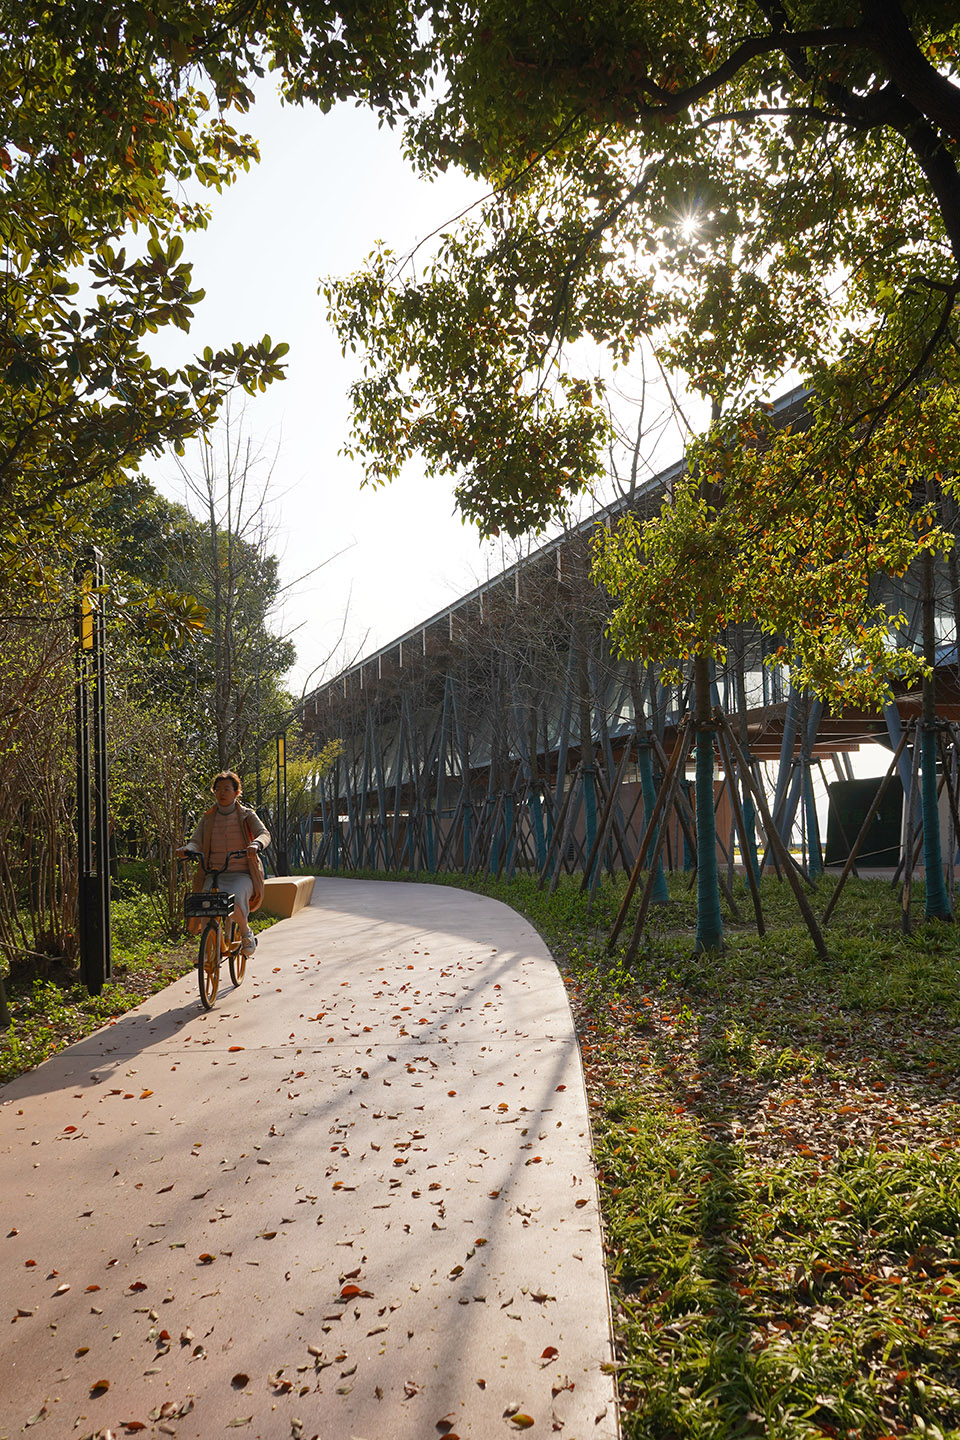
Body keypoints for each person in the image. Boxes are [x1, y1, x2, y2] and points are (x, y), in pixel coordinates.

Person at [178, 771, 270, 956]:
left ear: (236, 792)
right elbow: (196, 840)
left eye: (227, 789)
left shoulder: (246, 815)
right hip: (213, 873)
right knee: (204, 905)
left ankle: (245, 932)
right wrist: (188, 849)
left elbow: (264, 834)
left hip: (242, 873)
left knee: (233, 901)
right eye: (218, 789)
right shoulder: (208, 817)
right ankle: (209, 953)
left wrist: (255, 844)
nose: (222, 793)